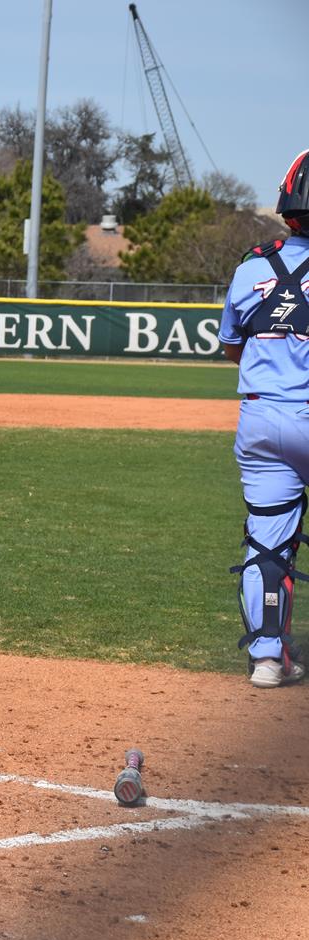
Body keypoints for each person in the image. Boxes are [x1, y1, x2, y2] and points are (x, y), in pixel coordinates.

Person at [219, 148, 309, 688]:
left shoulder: (252, 266)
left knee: (268, 541)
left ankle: (269, 661)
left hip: (261, 420)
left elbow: (234, 346)